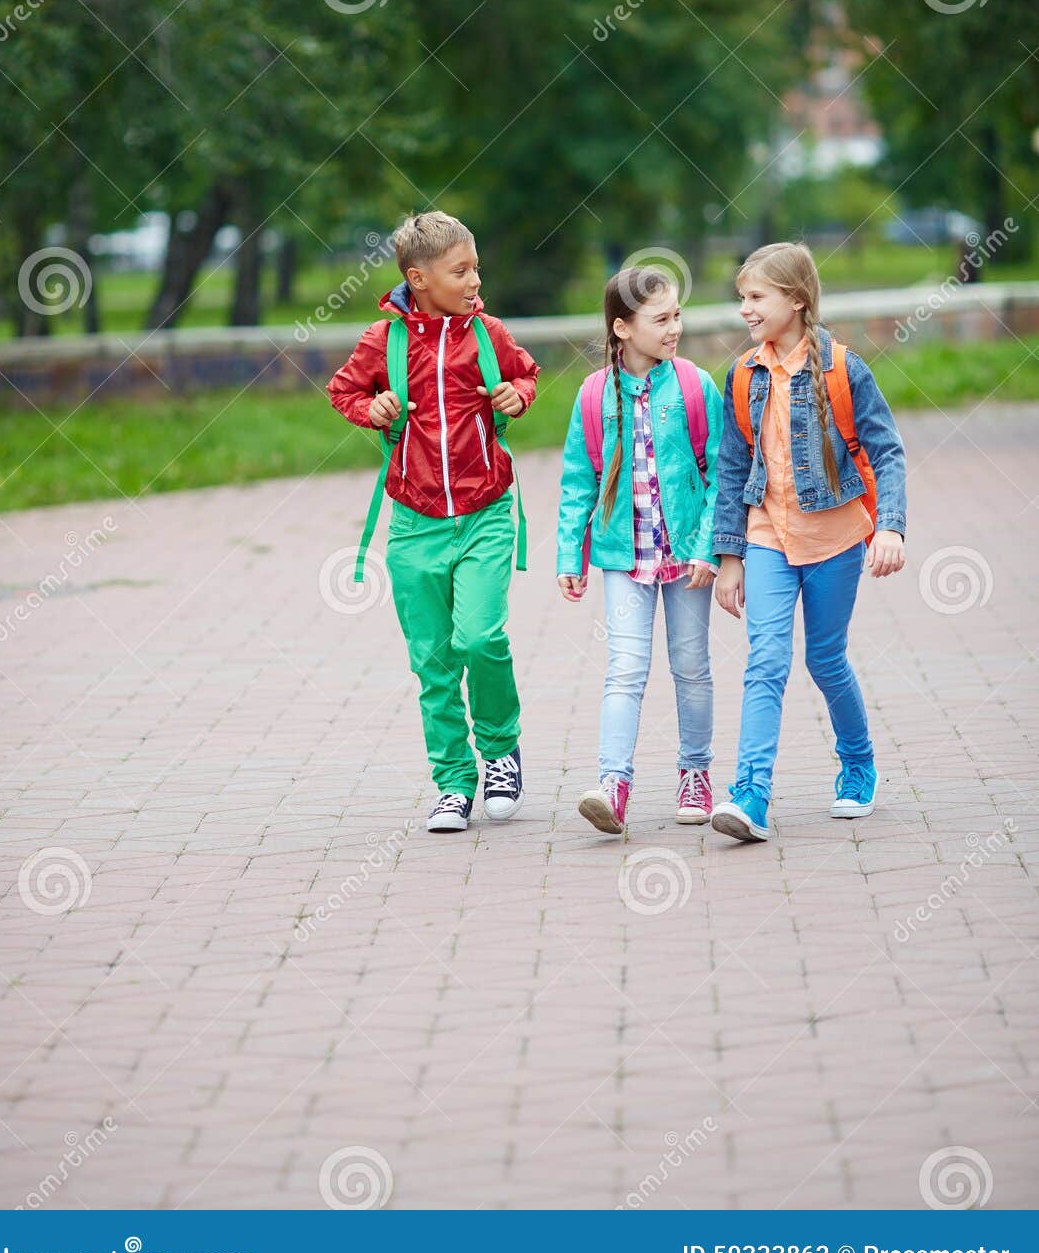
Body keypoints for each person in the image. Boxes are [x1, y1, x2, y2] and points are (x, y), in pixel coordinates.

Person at [328, 211, 539, 833]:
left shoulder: (489, 333)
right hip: (414, 524)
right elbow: (343, 391)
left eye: (476, 268)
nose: (476, 281)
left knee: (480, 638)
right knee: (434, 661)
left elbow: (525, 374)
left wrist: (518, 395)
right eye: (461, 271)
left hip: (485, 512)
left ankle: (501, 752)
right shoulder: (384, 340)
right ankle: (452, 783)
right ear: (418, 279)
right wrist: (372, 407)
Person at [710, 241, 907, 844]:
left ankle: (858, 763)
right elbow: (731, 466)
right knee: (766, 660)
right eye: (742, 297)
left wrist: (891, 525)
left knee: (824, 659)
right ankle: (751, 793)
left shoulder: (843, 369)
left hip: (835, 538)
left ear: (795, 300)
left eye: (756, 297)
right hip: (768, 535)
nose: (745, 309)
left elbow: (887, 451)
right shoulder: (743, 375)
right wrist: (729, 557)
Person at [557, 267, 722, 834]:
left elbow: (720, 473)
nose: (674, 328)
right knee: (624, 668)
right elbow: (578, 480)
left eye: (677, 316)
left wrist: (710, 549)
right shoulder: (593, 394)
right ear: (622, 328)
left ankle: (695, 773)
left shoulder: (696, 385)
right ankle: (613, 784)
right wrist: (570, 555)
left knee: (691, 666)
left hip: (687, 559)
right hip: (624, 558)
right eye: (661, 319)